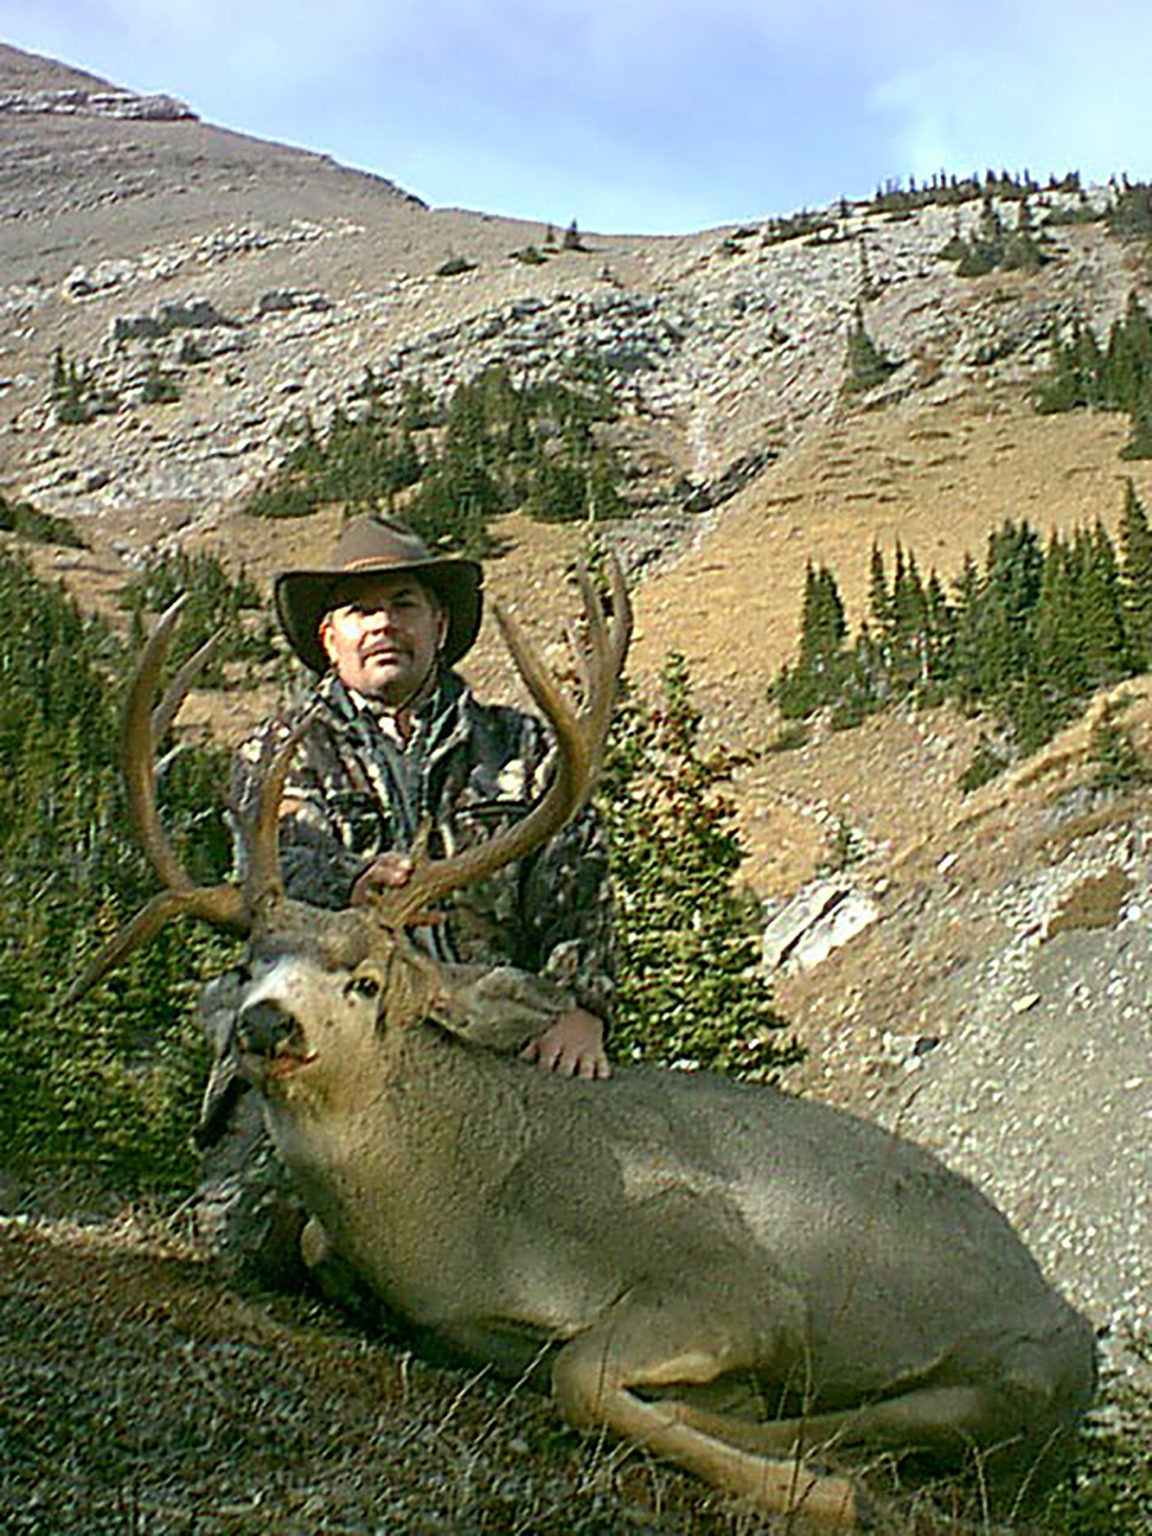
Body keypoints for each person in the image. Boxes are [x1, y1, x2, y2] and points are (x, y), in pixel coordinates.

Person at [194, 514, 617, 1284]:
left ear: (439, 625)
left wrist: (582, 1008)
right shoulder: (279, 753)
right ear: (329, 637)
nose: (384, 623)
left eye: (404, 604)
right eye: (361, 609)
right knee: (248, 1243)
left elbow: (577, 884)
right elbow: (269, 885)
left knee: (588, 1240)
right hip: (328, 1031)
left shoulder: (526, 748)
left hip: (486, 1030)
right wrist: (345, 889)